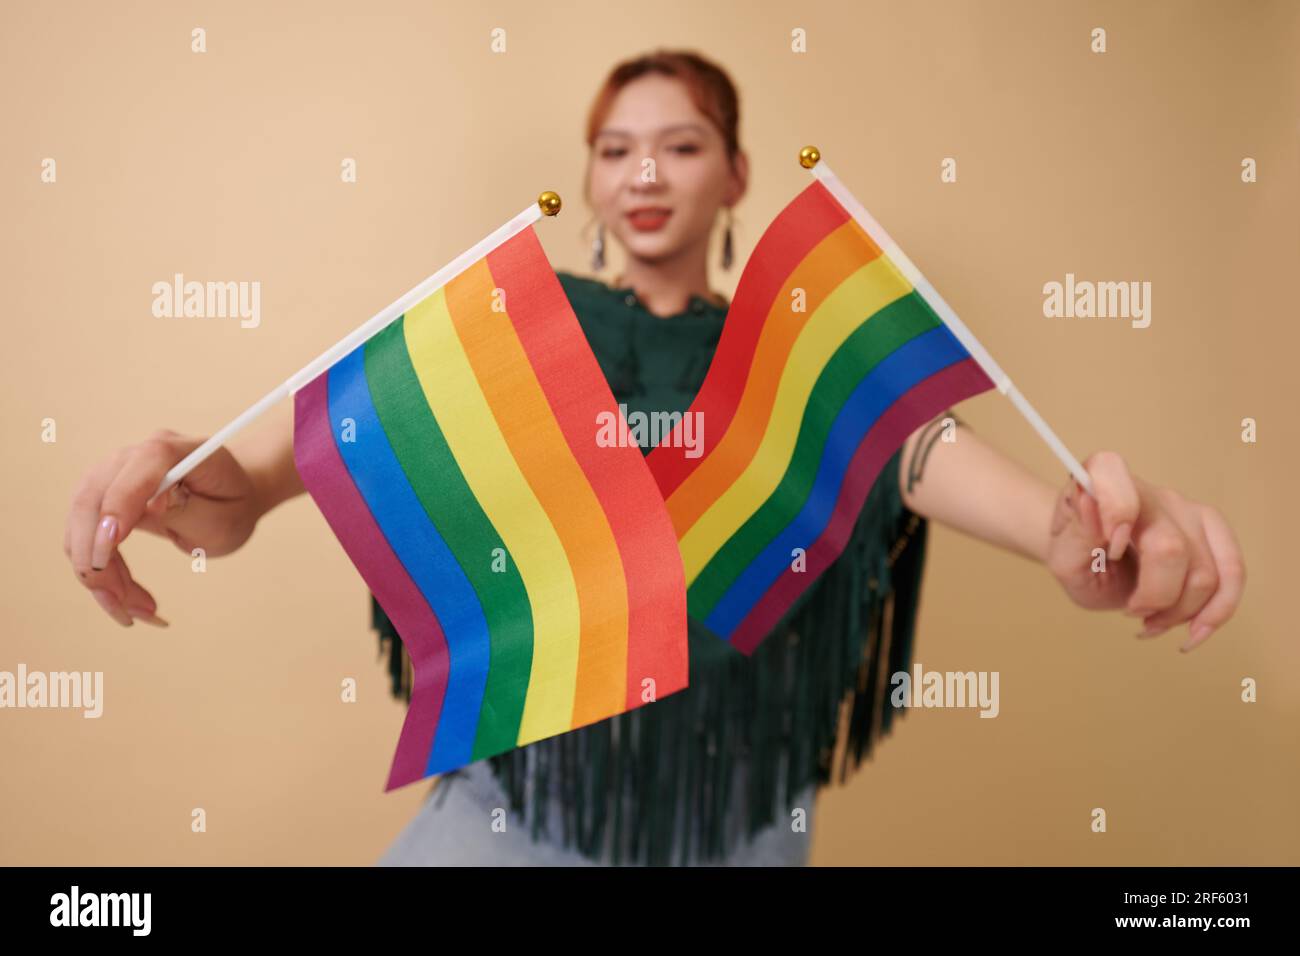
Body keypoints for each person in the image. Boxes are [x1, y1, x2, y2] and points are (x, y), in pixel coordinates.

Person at [63, 50, 1245, 866]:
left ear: (734, 176)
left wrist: (1071, 528)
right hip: (516, 803)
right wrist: (202, 483)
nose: (643, 171)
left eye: (681, 145)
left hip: (738, 819)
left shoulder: (790, 348)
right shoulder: (507, 332)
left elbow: (910, 447)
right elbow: (279, 470)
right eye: (617, 147)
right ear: (587, 178)